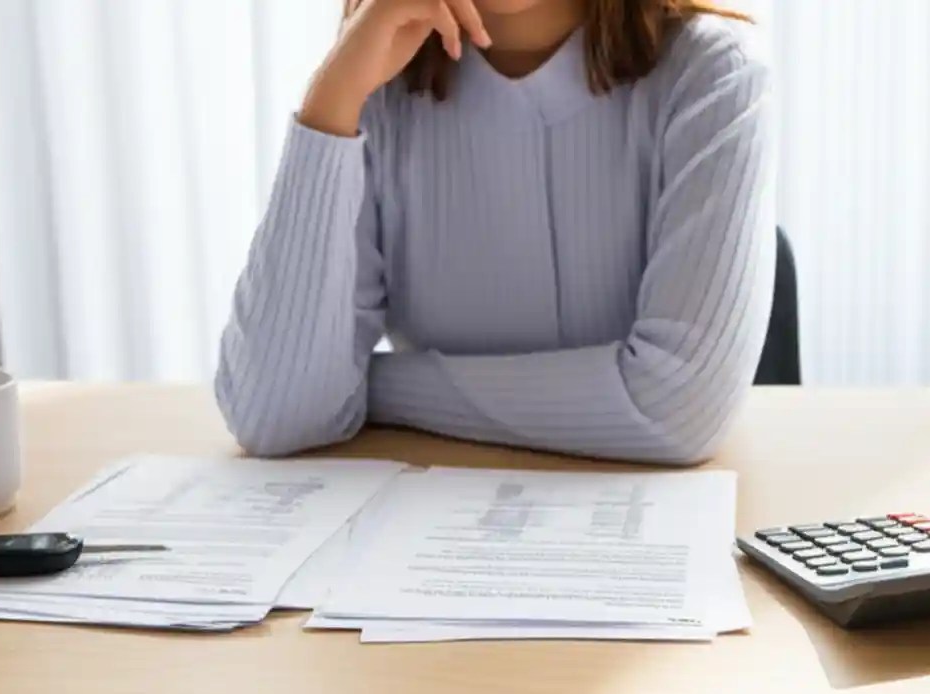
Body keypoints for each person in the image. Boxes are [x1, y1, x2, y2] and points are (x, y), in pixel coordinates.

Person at [216, 0, 775, 465]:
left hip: (648, 534)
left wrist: (369, 391)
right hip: (435, 522)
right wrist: (332, 100)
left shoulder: (712, 72)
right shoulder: (381, 77)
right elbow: (273, 414)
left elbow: (678, 408)